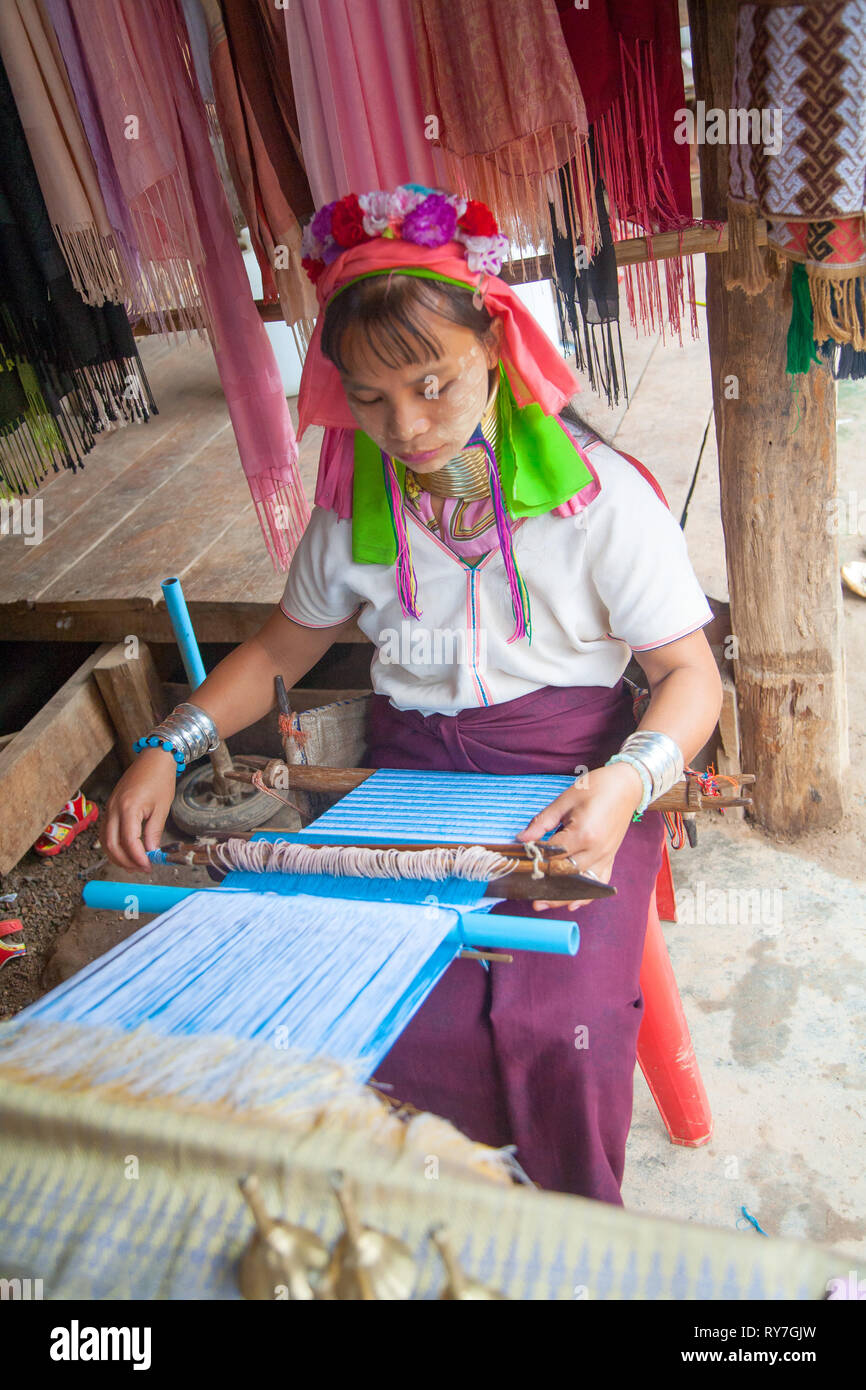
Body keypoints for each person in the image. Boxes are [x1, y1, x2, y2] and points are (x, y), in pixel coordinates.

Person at [105, 185, 722, 1204]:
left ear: (495, 345)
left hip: (570, 787)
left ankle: (552, 1237)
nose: (407, 425)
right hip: (407, 782)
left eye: (433, 383)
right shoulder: (352, 515)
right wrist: (166, 744)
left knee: (545, 1024)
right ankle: (387, 1232)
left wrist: (625, 784)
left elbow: (687, 677)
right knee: (332, 1004)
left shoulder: (598, 500)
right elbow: (271, 655)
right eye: (371, 396)